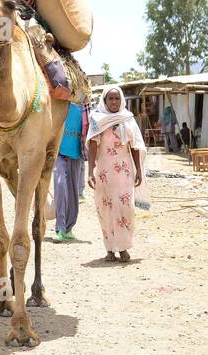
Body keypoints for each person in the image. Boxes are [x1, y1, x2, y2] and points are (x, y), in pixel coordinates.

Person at [87, 85, 144, 262]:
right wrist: (90, 171)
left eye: (116, 98)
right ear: (104, 101)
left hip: (124, 170)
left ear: (121, 100)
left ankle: (124, 247)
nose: (113, 102)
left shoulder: (128, 119)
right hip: (105, 171)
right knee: (106, 209)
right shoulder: (97, 119)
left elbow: (134, 146)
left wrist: (139, 170)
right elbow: (93, 146)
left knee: (125, 208)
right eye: (110, 99)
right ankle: (110, 249)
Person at [51, 97, 88, 242]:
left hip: (77, 155)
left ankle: (69, 228)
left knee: (73, 193)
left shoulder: (85, 109)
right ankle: (60, 228)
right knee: (60, 186)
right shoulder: (61, 105)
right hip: (59, 154)